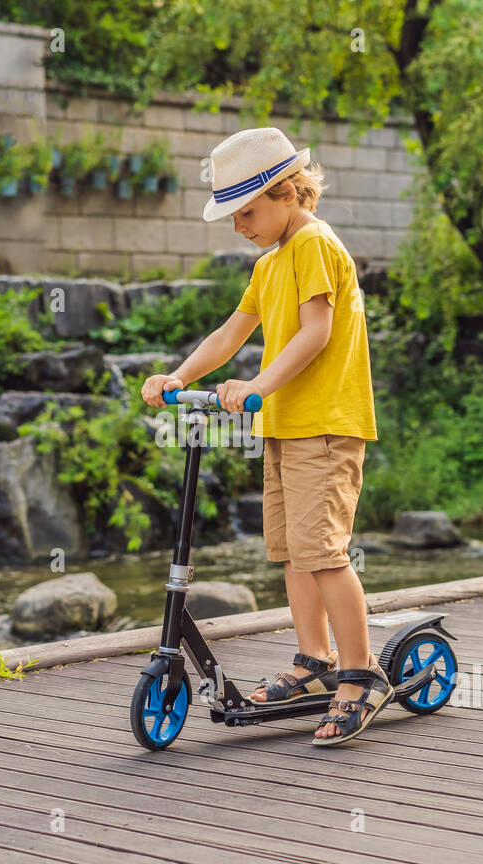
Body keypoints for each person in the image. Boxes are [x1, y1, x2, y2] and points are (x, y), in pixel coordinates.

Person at [140, 127, 387, 746]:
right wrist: (179, 376)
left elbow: (316, 332)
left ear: (287, 193)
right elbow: (231, 333)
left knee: (323, 553)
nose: (238, 226)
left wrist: (257, 384)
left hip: (324, 426)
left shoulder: (313, 244)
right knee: (293, 553)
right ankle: (314, 661)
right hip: (284, 427)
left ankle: (361, 676)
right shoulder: (271, 261)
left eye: (246, 212)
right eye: (232, 215)